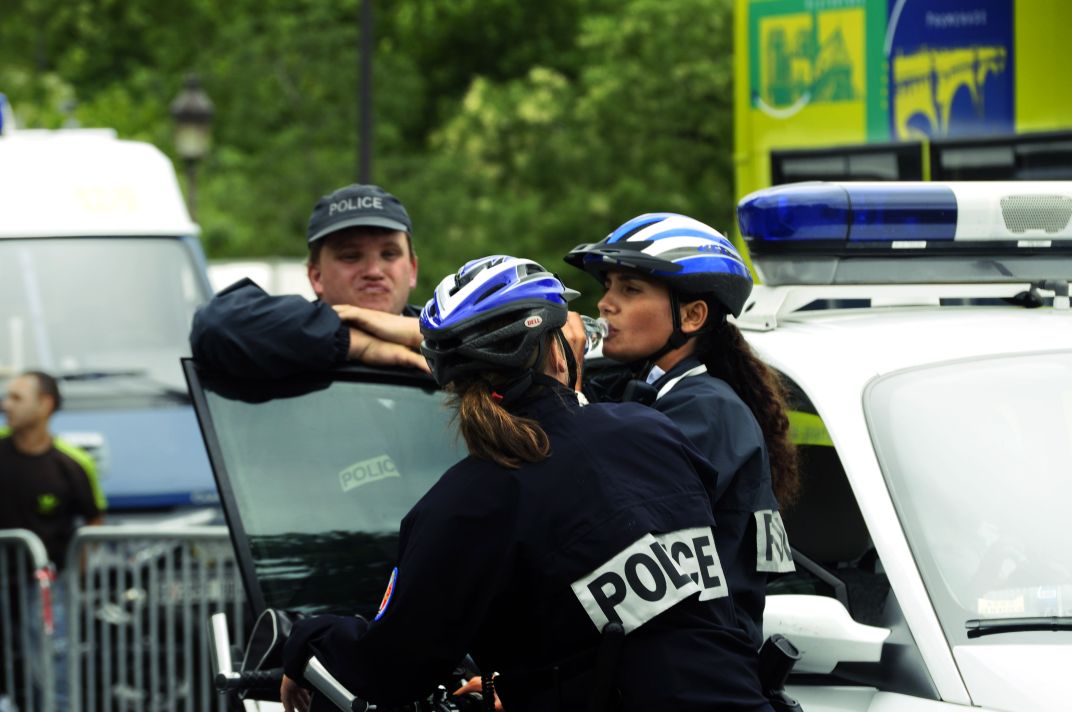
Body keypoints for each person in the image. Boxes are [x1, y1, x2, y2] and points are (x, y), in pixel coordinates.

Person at [279, 255, 773, 712]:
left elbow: (386, 671)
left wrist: (307, 640)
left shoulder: (466, 502)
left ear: (450, 380)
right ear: (559, 353)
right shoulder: (654, 432)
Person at [565, 213, 800, 650]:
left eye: (630, 289)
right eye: (608, 286)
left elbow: (602, 509)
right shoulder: (642, 393)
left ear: (692, 316)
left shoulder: (707, 410)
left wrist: (566, 394)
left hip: (697, 673)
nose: (604, 304)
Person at [190, 183, 427, 378]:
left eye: (389, 254)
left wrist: (432, 337)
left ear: (412, 269)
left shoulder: (447, 343)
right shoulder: (277, 347)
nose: (374, 271)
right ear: (316, 276)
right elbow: (215, 326)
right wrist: (351, 343)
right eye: (351, 256)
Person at [0, 370, 106, 708]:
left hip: (45, 588)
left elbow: (94, 521)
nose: (5, 405)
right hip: (1, 585)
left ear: (44, 405)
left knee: (53, 671)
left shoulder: (73, 463)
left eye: (16, 398)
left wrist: (75, 579)